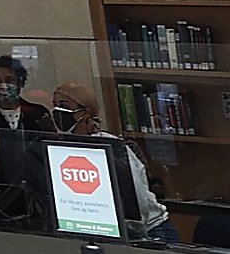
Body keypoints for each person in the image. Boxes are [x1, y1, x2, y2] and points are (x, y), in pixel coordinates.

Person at [51, 81, 178, 243]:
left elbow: (138, 201)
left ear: (85, 112)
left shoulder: (112, 147)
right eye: (55, 106)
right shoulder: (62, 148)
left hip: (152, 231)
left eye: (65, 106)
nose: (58, 112)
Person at [0, 54, 55, 220]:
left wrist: (3, 144)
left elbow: (45, 150)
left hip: (35, 193)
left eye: (9, 79)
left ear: (20, 82)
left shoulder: (37, 112)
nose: (3, 85)